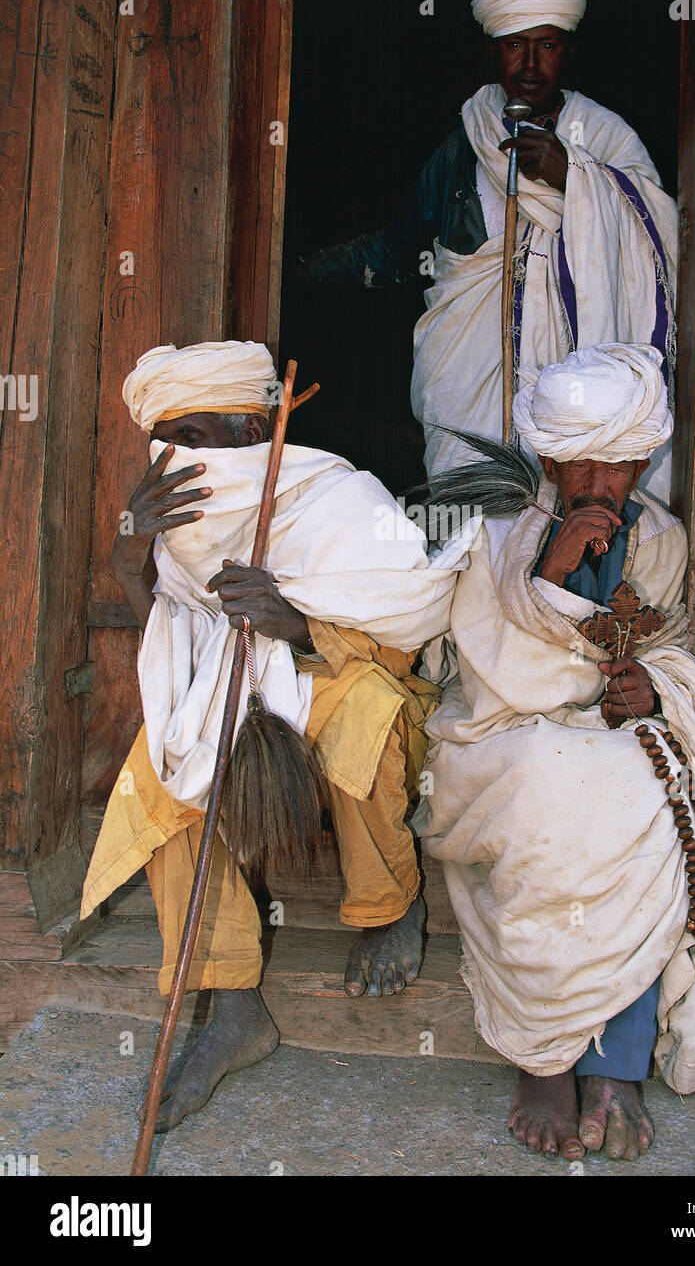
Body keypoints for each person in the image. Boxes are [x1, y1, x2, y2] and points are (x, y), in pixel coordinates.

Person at [80, 340, 475, 1131]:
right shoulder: (176, 522)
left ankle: (389, 904)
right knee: (163, 760)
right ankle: (231, 1002)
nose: (182, 457)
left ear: (254, 428)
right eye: (168, 440)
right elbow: (174, 631)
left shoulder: (338, 497)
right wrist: (131, 555)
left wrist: (293, 623)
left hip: (342, 681)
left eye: (200, 435)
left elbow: (408, 635)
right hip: (242, 692)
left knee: (364, 709)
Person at [412, 344, 695, 1161]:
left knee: (646, 804)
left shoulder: (664, 539)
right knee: (548, 792)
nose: (597, 484)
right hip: (506, 735)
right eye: (577, 464)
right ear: (548, 458)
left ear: (645, 458)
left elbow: (672, 646)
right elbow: (490, 671)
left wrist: (655, 690)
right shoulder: (502, 529)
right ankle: (541, 1055)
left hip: (615, 739)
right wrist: (551, 574)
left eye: (616, 466)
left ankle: (615, 1061)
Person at [300, 0, 677, 499]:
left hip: (575, 372)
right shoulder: (464, 144)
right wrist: (303, 272)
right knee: (466, 514)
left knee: (566, 501)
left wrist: (573, 174)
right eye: (513, 45)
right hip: (465, 371)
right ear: (491, 51)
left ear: (569, 48)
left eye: (546, 45)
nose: (530, 65)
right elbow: (400, 248)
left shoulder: (605, 137)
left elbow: (662, 239)